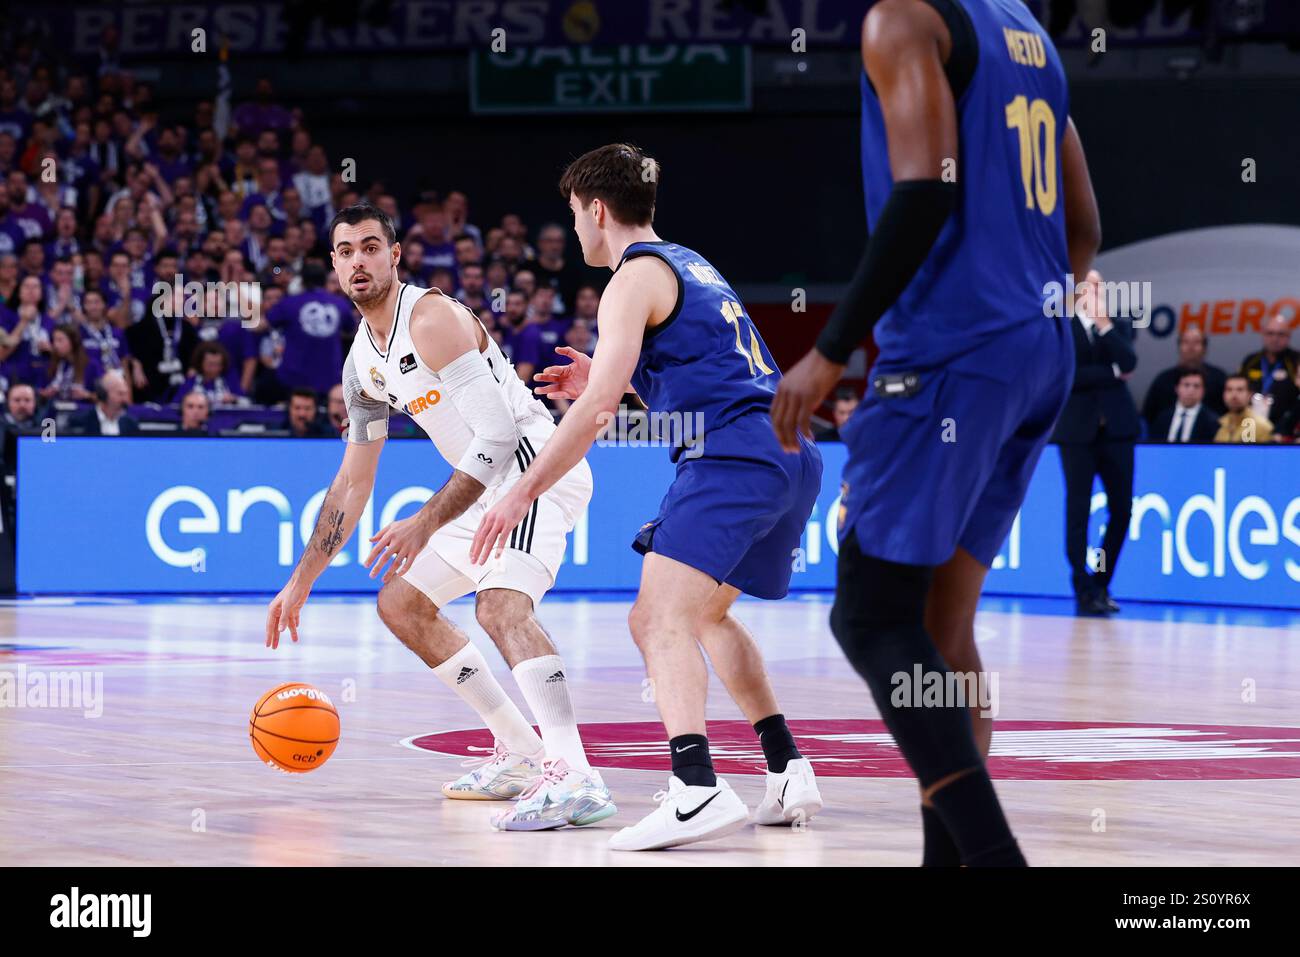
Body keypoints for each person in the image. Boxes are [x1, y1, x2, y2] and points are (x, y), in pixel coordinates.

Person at [770, 0, 1101, 866]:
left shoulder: (904, 20)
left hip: (954, 354)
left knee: (871, 615)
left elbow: (924, 189)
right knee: (943, 625)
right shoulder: (1027, 32)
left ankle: (994, 857)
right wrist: (1024, 319)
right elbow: (1085, 227)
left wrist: (830, 350)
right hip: (1041, 349)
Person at [472, 144, 825, 851]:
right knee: (710, 615)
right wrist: (619, 382)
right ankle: (788, 769)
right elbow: (706, 377)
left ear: (597, 210)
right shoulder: (692, 263)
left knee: (653, 618)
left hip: (734, 457)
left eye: (574, 215)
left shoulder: (630, 280)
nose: (574, 230)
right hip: (791, 452)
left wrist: (522, 491)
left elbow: (597, 412)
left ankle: (695, 787)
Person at [266, 202, 613, 832]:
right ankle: (520, 753)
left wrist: (423, 522)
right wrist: (302, 579)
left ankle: (577, 777)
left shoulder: (430, 319)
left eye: (370, 247)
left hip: (534, 470)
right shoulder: (361, 366)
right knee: (401, 604)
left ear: (394, 256)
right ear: (335, 267)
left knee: (501, 608)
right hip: (484, 483)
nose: (357, 261)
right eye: (345, 252)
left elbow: (500, 435)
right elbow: (352, 482)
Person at [1052, 269, 1138, 616]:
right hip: (1076, 432)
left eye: (1100, 286)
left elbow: (1130, 361)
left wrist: (1103, 325)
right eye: (1089, 285)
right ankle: (1082, 587)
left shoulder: (1116, 323)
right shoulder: (1059, 326)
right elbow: (1064, 375)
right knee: (1078, 510)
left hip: (1117, 430)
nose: (1095, 291)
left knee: (1122, 509)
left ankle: (1102, 583)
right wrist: (1112, 374)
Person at [1139, 325, 1227, 426]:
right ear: (1179, 346)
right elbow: (1149, 416)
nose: (1191, 347)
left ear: (1205, 348)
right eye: (1186, 342)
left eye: (1196, 342)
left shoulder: (1219, 378)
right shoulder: (1163, 380)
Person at [1237, 313, 1299, 428]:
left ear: (1289, 336)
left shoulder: (1296, 361)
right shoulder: (1251, 361)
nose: (1275, 339)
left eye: (1281, 334)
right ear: (1263, 334)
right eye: (1270, 333)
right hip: (1250, 424)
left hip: (1284, 426)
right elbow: (1238, 388)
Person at [1149, 369, 1219, 443]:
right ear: (1177, 388)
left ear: (1203, 391)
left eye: (1196, 386)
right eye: (1186, 385)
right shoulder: (1162, 418)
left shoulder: (1212, 421)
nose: (1191, 390)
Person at [68, 369, 139, 435]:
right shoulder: (80, 422)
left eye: (125, 394)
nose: (125, 399)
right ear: (104, 394)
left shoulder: (131, 424)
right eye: (120, 394)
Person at [1215, 374, 1274, 443]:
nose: (1234, 395)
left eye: (1240, 390)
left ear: (1249, 395)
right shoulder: (1219, 424)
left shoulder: (1262, 426)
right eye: (1229, 390)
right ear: (1223, 394)